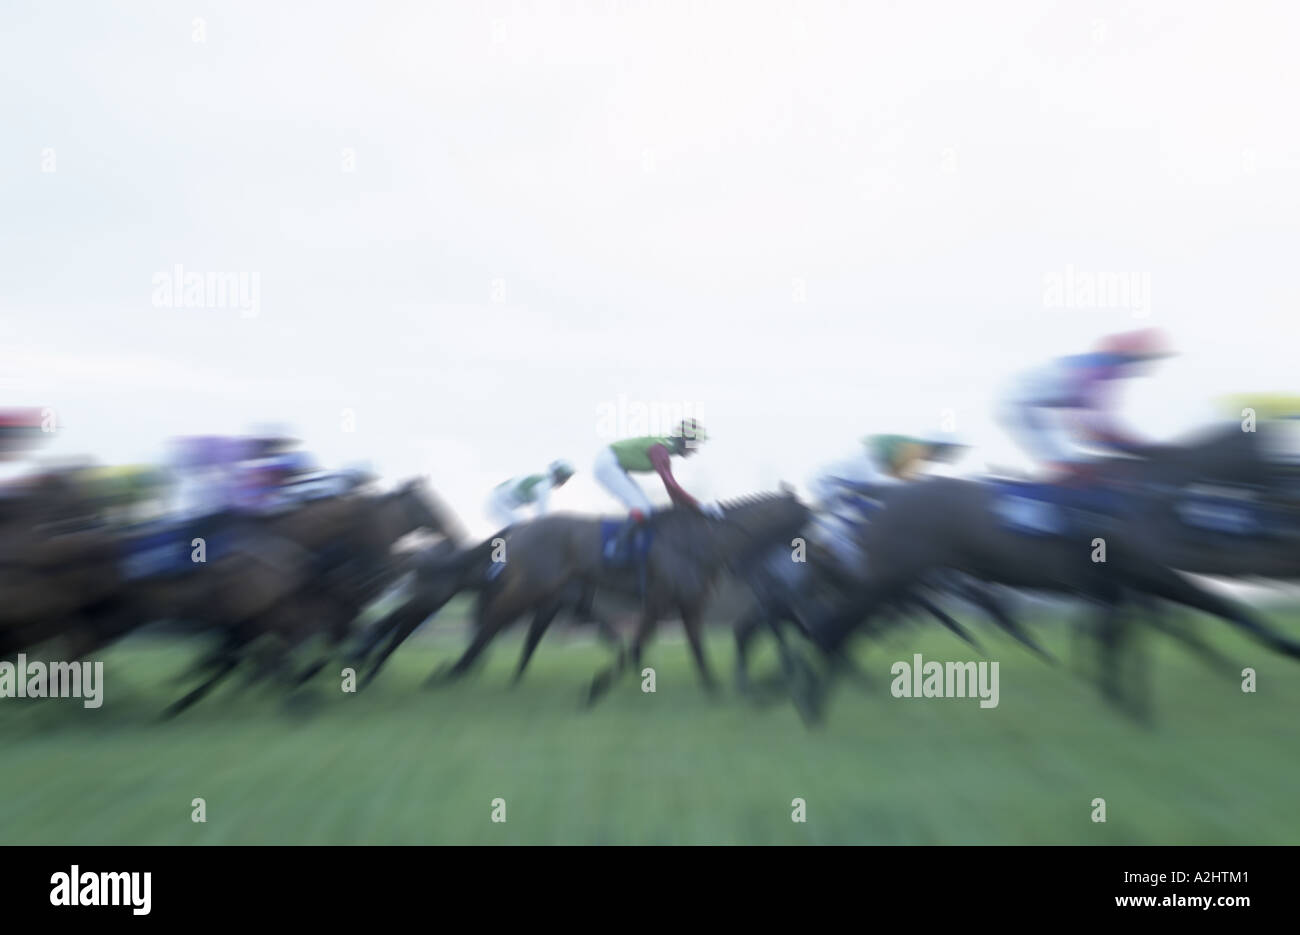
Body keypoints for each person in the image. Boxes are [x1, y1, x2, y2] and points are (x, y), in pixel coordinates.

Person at [999, 328, 1172, 482]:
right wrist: (1146, 451)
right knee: (1077, 471)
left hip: (1025, 406)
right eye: (1147, 357)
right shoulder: (1102, 365)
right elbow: (1089, 429)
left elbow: (1092, 429)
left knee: (1079, 469)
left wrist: (1140, 449)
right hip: (1020, 407)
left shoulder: (1103, 366)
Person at [809, 432, 965, 572]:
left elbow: (905, 485)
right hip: (834, 481)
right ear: (939, 447)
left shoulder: (917, 451)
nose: (948, 457)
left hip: (848, 479)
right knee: (850, 526)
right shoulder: (917, 450)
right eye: (949, 451)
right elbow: (897, 487)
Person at [486, 460, 575, 528]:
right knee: (522, 527)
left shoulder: (542, 480)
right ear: (559, 476)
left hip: (499, 502)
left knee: (523, 525)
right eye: (565, 478)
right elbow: (542, 516)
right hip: (497, 504)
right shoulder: (544, 485)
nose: (565, 481)